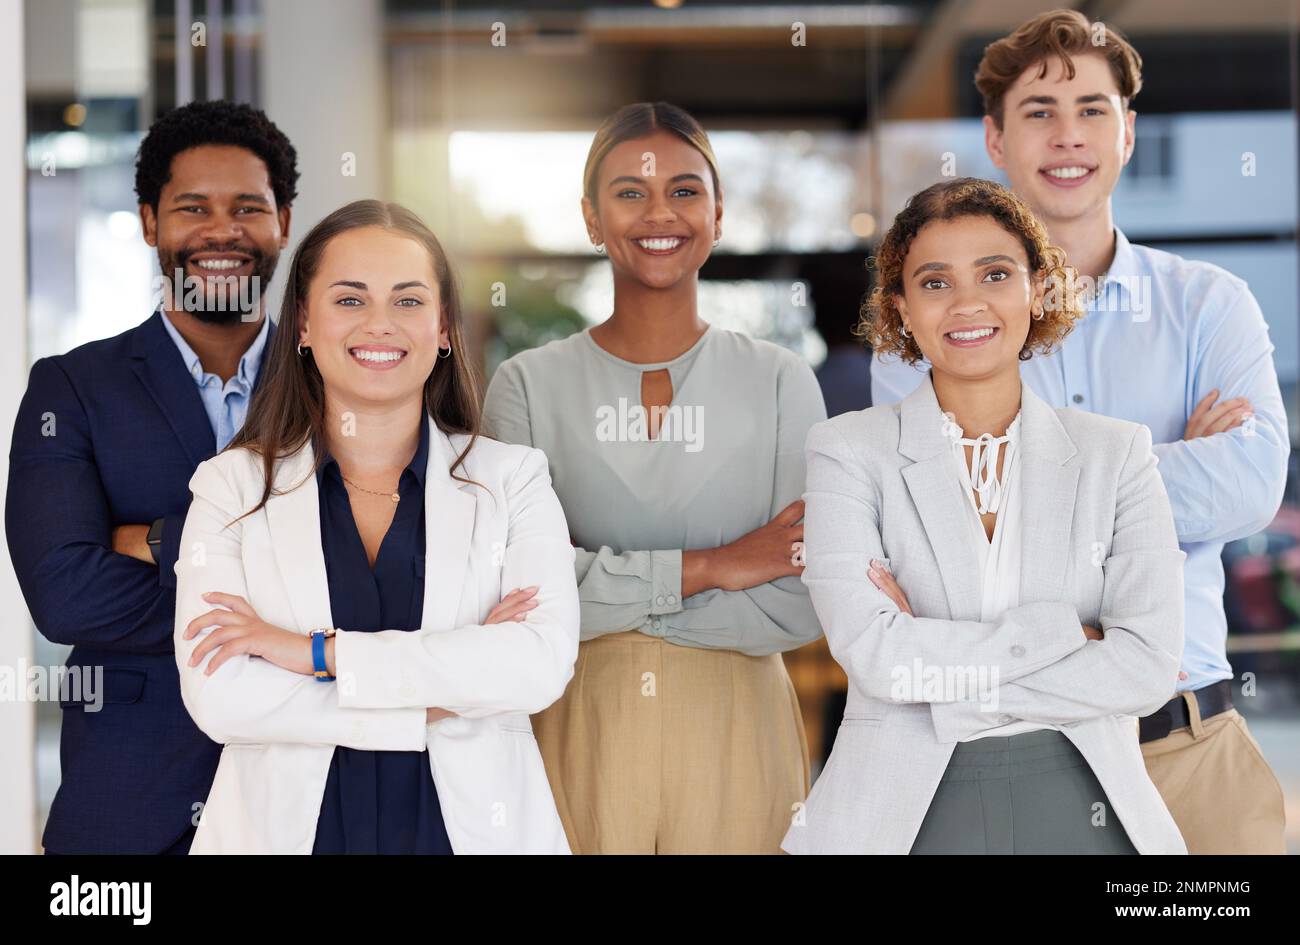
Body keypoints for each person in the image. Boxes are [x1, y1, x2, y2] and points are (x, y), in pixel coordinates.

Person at [870, 10, 1289, 854]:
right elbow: (931, 533)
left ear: (1128, 134)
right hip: (1011, 760)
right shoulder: (928, 324)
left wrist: (1027, 480)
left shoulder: (1209, 306)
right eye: (1039, 112)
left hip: (1189, 752)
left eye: (1093, 110)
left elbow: (1250, 487)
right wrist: (1156, 466)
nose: (1069, 136)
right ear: (995, 138)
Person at [785, 177, 1187, 854]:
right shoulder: (847, 452)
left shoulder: (1116, 454)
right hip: (903, 816)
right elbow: (881, 660)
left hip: (1087, 806)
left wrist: (937, 660)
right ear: (902, 310)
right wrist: (1068, 633)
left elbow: (1146, 668)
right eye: (935, 282)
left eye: (995, 273)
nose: (967, 302)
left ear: (1036, 289)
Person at [172, 200, 579, 854]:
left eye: (410, 301)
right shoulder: (231, 488)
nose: (381, 324)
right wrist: (441, 694)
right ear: (303, 322)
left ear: (444, 326)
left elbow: (537, 665)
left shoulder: (515, 479)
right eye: (350, 299)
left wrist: (310, 653)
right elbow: (222, 697)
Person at [482, 102, 826, 854]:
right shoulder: (526, 387)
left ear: (718, 212)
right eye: (630, 192)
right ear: (591, 218)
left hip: (741, 734)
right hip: (579, 728)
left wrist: (604, 596)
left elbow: (802, 604)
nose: (658, 212)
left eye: (684, 189)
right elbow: (520, 598)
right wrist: (718, 566)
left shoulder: (779, 381)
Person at [6, 100, 296, 854]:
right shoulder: (72, 388)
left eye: (247, 208)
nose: (220, 232)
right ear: (148, 223)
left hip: (309, 782)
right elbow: (65, 594)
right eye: (192, 208)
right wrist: (286, 610)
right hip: (132, 796)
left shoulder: (335, 386)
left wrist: (155, 540)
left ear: (284, 223)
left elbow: (378, 570)